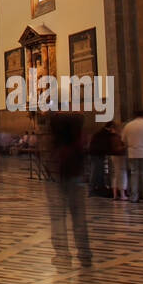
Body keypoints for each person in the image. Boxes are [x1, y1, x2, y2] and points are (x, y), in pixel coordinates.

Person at [43, 111, 92, 269]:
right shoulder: (76, 141)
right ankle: (84, 254)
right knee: (79, 218)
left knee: (58, 218)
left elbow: (47, 159)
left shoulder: (56, 143)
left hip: (57, 179)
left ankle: (62, 255)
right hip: (75, 177)